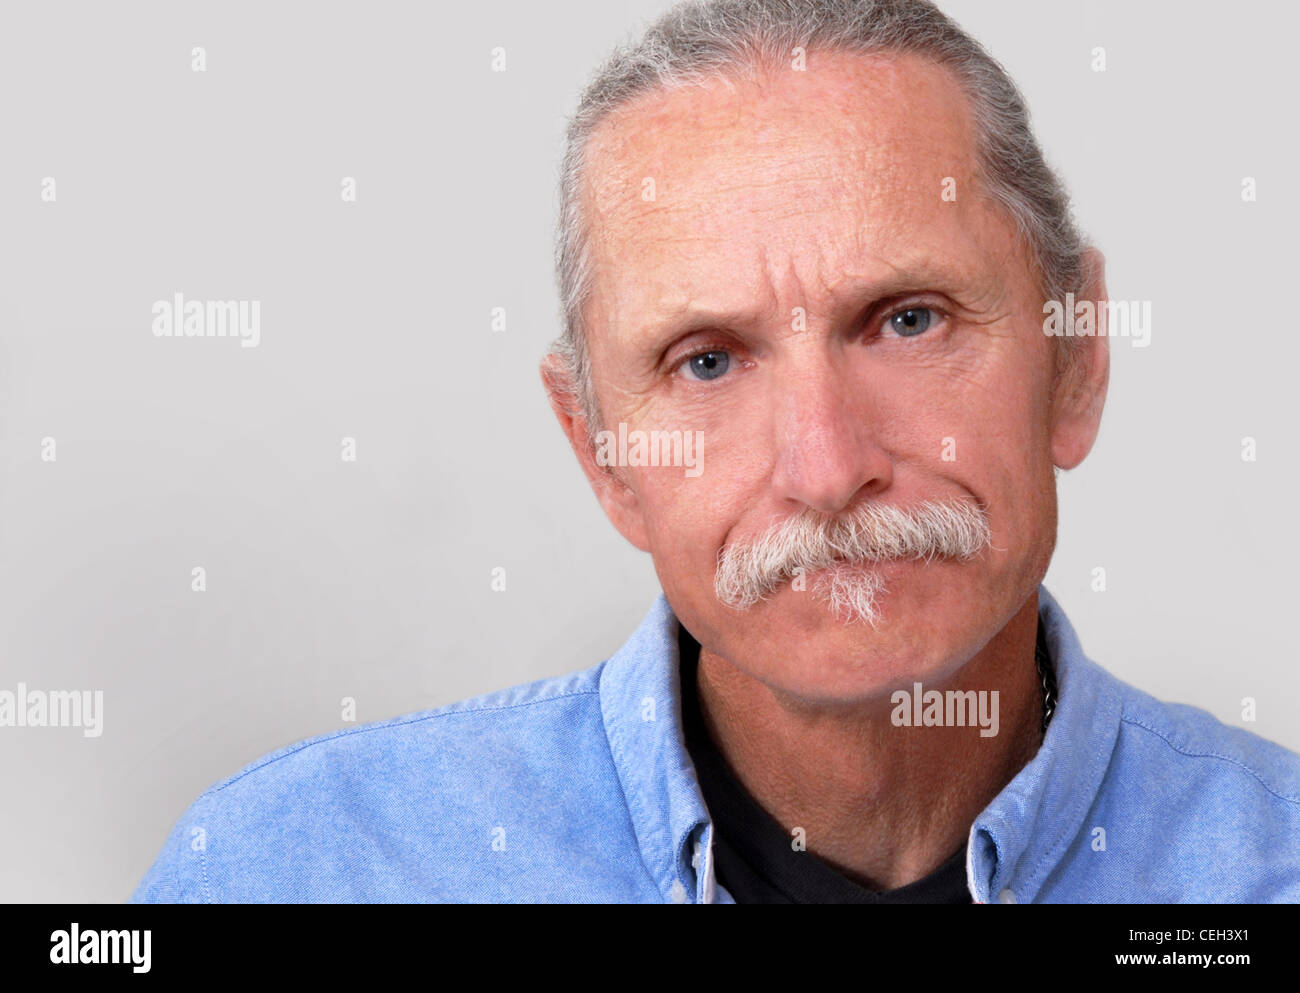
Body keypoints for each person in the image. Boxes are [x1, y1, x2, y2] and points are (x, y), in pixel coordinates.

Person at [131, 0, 1300, 904]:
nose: (827, 467)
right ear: (601, 452)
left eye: (907, 320)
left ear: (1076, 356)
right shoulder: (299, 876)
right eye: (706, 362)